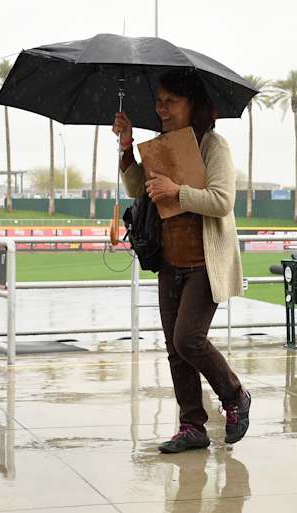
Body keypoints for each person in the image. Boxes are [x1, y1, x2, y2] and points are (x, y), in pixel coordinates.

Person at [113, 69, 251, 453]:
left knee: (188, 339)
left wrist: (178, 191)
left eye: (170, 101)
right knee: (175, 350)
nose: (162, 109)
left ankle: (235, 394)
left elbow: (222, 200)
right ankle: (193, 426)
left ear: (193, 104)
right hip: (169, 261)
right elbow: (138, 188)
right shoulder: (162, 145)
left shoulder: (213, 145)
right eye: (159, 102)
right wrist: (127, 147)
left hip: (205, 263)